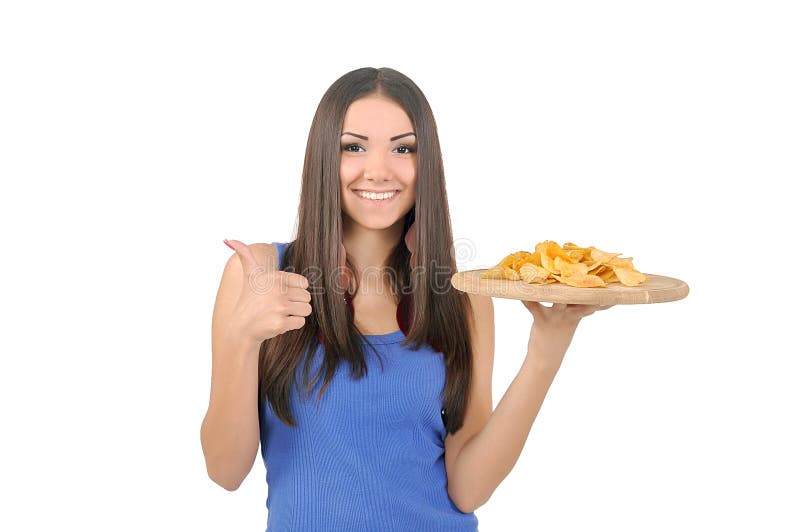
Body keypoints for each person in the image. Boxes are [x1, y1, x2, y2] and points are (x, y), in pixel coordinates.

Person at [200, 67, 613, 531]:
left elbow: (469, 488)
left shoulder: (463, 296)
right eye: (353, 146)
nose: (379, 169)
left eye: (403, 148)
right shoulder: (260, 275)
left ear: (425, 163)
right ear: (323, 158)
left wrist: (546, 350)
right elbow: (225, 471)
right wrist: (242, 337)